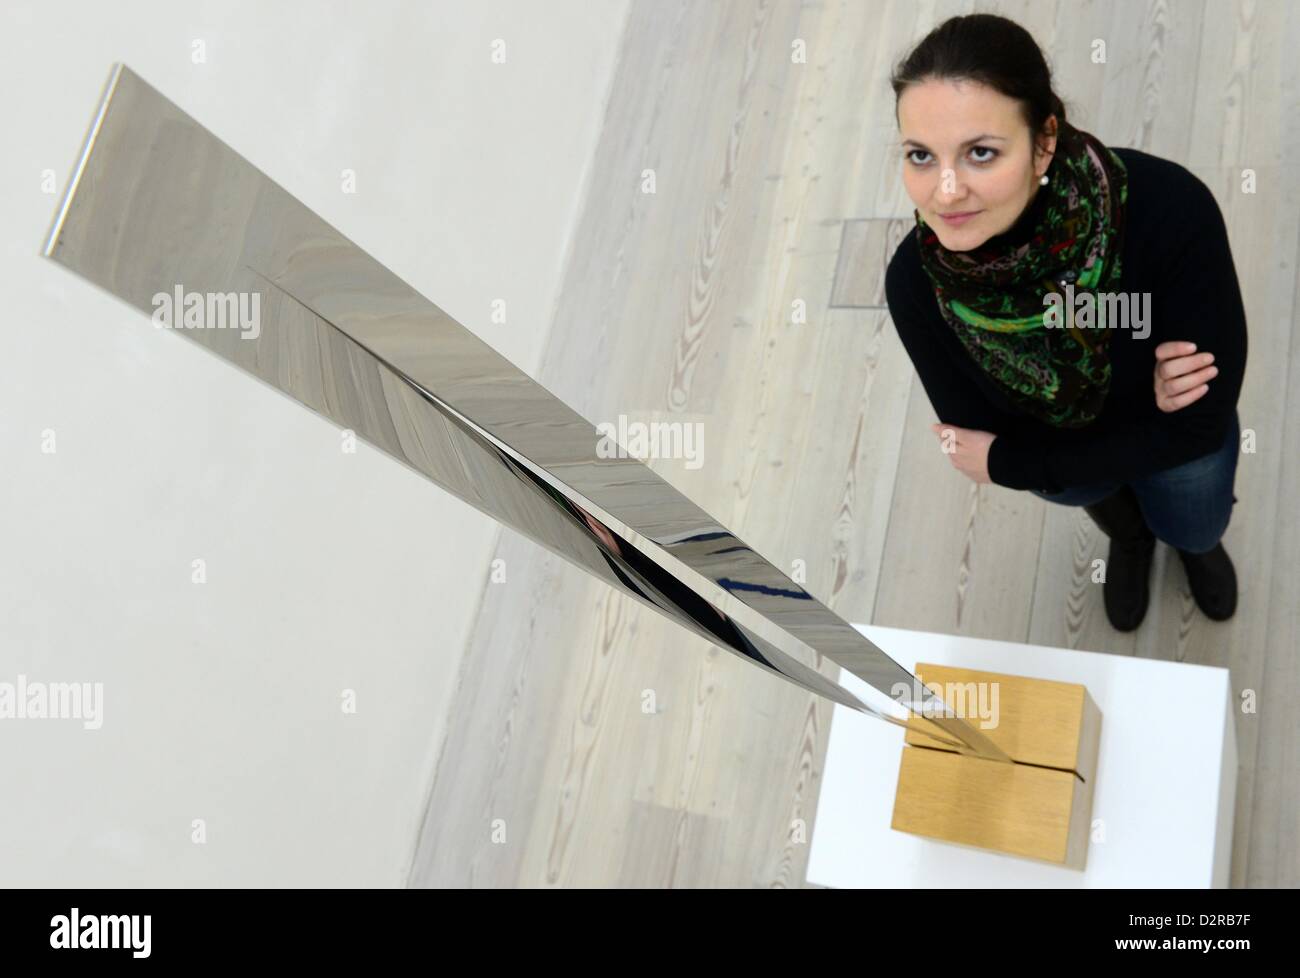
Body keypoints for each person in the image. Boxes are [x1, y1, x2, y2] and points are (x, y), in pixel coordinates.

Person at [883, 13, 1246, 631]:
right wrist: (1149, 404)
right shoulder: (917, 283)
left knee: (1196, 519)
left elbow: (1199, 425)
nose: (944, 193)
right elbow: (977, 437)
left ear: (1043, 141)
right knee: (1098, 499)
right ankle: (1131, 541)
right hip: (1081, 466)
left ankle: (1192, 548)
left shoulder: (1169, 209)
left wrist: (1018, 459)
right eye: (921, 155)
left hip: (1119, 455)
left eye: (980, 153)